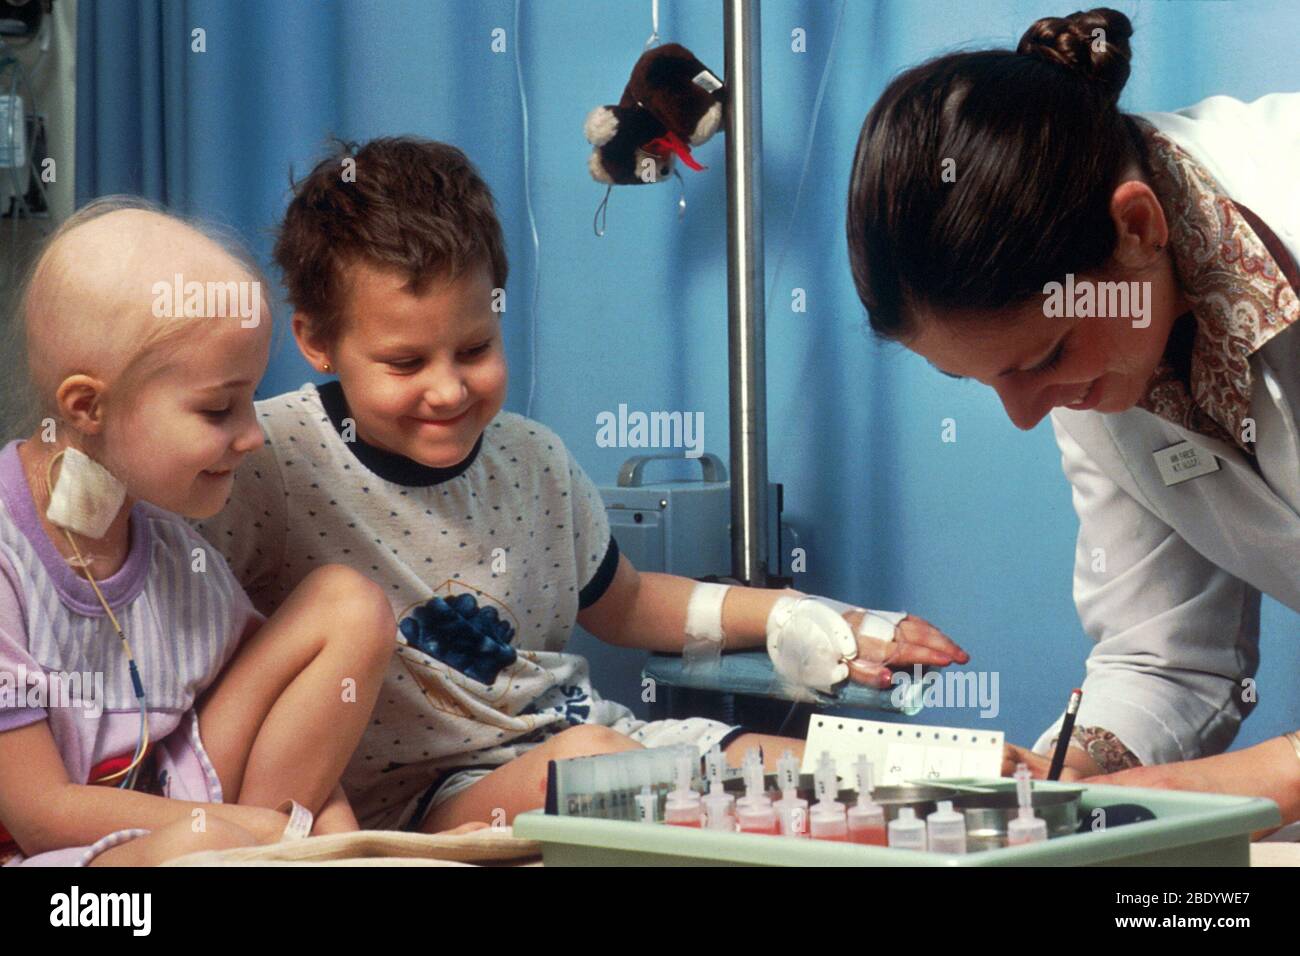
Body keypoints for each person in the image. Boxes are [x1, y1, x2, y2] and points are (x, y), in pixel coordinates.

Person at [193, 136, 969, 833]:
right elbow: (176, 625)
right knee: (604, 767)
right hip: (427, 799)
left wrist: (800, 616)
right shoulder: (271, 459)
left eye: (475, 349)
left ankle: (1048, 773)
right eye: (405, 364)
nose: (449, 390)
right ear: (318, 342)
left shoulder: (532, 459)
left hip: (589, 740)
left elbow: (625, 603)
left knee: (866, 766)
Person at [844, 8, 1299, 824]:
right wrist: (1067, 776)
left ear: (1136, 227)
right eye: (976, 379)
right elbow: (1169, 661)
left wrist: (1262, 779)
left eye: (1043, 357)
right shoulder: (1106, 335)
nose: (1024, 414)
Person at [0, 199, 399, 865]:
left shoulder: (173, 550)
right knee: (205, 843)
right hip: (55, 867)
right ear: (87, 406)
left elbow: (277, 716)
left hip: (186, 817)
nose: (252, 435)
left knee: (349, 606)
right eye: (219, 408)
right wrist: (263, 831)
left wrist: (333, 831)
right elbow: (43, 818)